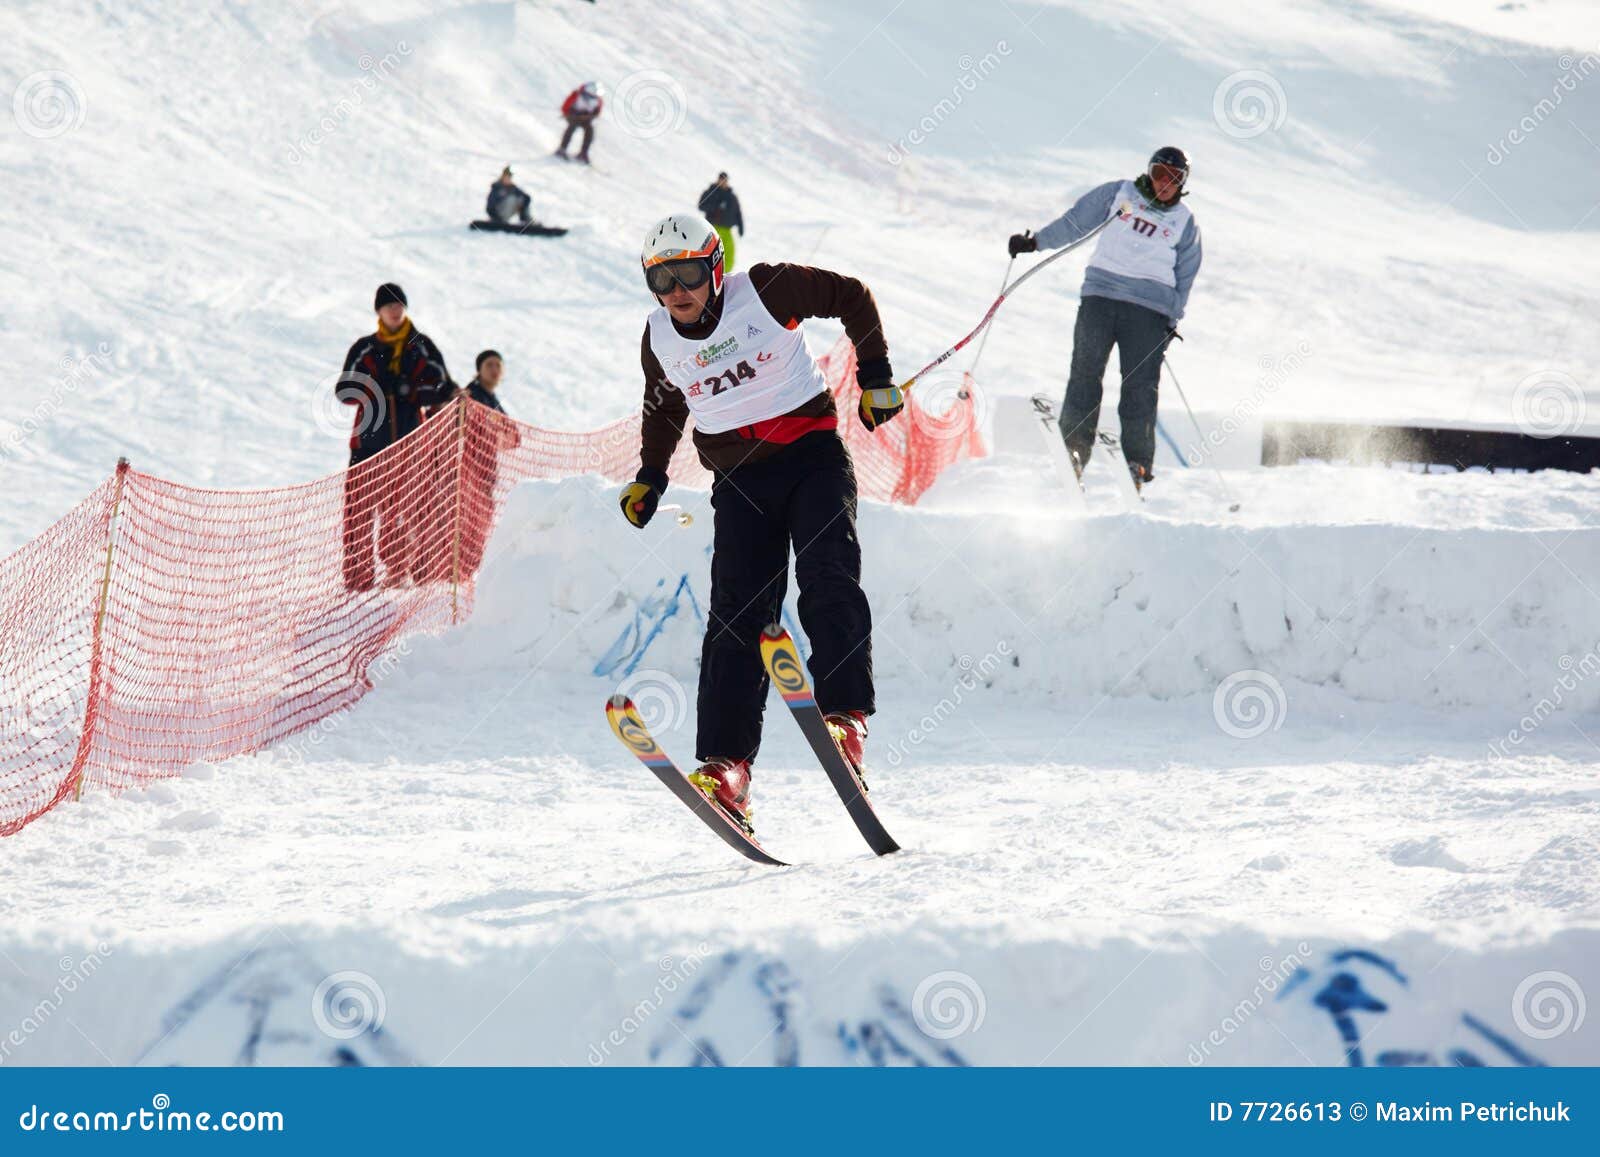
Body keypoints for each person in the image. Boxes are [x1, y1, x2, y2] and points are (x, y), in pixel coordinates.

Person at [618, 212, 904, 834]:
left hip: (812, 458)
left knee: (828, 575)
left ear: (715, 268)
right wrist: (651, 475)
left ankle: (846, 720)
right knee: (735, 617)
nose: (677, 291)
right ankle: (728, 770)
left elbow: (852, 297)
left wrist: (877, 376)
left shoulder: (769, 290)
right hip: (739, 481)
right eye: (660, 280)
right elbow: (664, 405)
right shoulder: (658, 338)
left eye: (689, 273)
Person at [1008, 145, 1202, 486]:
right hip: (1101, 298)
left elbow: (1186, 275)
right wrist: (1036, 242)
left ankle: (1137, 464)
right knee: (1085, 374)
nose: (1165, 184)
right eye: (1160, 174)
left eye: (1174, 178)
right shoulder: (1119, 194)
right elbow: (1076, 221)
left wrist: (1172, 319)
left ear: (1183, 183)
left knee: (1139, 388)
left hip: (1149, 311)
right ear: (1149, 171)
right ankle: (1074, 452)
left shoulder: (1184, 222)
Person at [336, 283, 455, 591]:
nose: (394, 310)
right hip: (369, 445)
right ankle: (359, 580)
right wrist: (374, 385)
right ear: (378, 310)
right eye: (388, 306)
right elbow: (343, 391)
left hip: (411, 442)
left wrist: (411, 391)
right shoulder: (364, 348)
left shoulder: (421, 345)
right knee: (359, 512)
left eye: (399, 305)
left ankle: (402, 571)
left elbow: (444, 387)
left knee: (408, 509)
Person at [696, 172, 744, 271]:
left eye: (724, 180)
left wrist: (740, 226)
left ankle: (724, 274)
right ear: (718, 180)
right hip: (713, 227)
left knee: (729, 252)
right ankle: (707, 272)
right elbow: (701, 205)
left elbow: (738, 212)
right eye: (721, 179)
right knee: (712, 250)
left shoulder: (731, 197)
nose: (722, 182)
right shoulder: (711, 192)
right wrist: (715, 206)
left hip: (727, 229)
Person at [555, 82, 604, 164]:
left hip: (586, 119)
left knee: (590, 130)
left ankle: (583, 153)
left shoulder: (597, 100)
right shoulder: (576, 95)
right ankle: (562, 149)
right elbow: (565, 107)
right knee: (572, 127)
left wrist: (589, 116)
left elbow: (597, 112)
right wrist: (572, 114)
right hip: (573, 116)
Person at [466, 349, 508, 413]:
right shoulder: (469, 394)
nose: (494, 370)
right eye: (489, 365)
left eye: (498, 365)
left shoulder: (498, 407)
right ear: (479, 370)